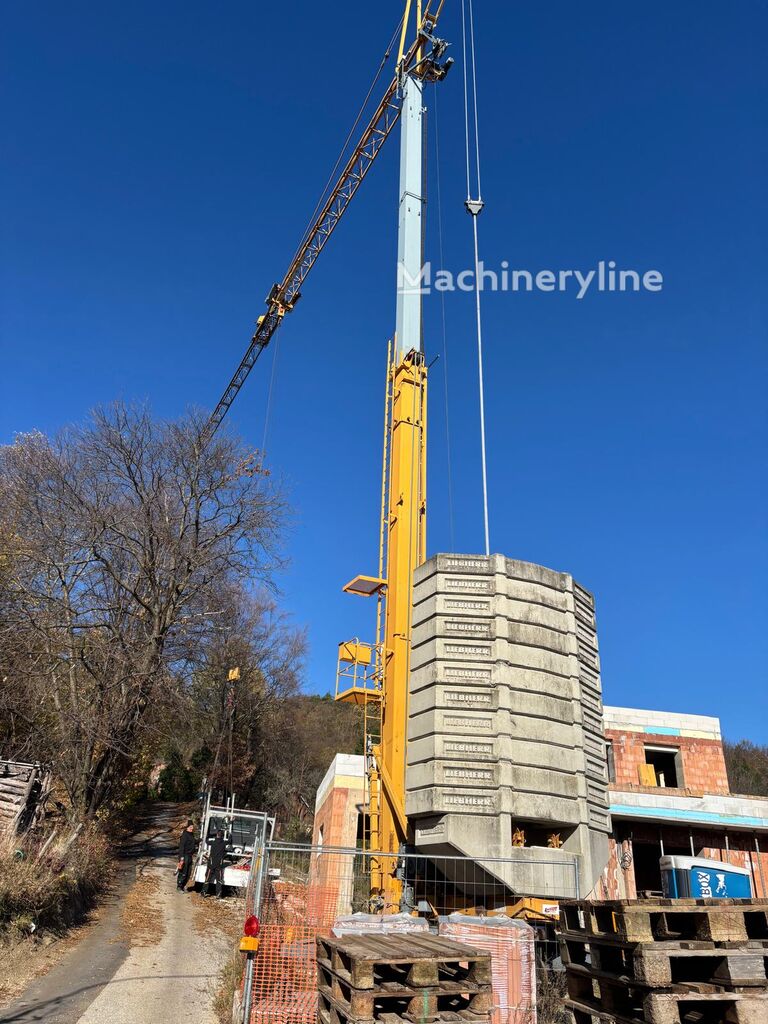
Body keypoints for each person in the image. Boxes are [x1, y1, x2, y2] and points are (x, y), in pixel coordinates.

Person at [204, 828, 227, 899]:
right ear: (222, 836)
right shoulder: (224, 843)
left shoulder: (213, 842)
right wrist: (230, 835)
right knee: (219, 880)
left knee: (207, 879)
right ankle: (218, 894)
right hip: (219, 866)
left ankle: (203, 892)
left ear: (216, 835)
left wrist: (208, 833)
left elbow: (206, 841)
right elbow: (230, 841)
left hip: (211, 864)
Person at [177, 819, 196, 891]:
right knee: (183, 872)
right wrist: (181, 858)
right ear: (187, 827)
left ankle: (183, 885)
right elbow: (181, 847)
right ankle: (179, 886)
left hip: (190, 856)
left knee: (188, 872)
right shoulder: (184, 835)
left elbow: (193, 842)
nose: (192, 828)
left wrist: (200, 840)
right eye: (190, 827)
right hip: (185, 855)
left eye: (192, 827)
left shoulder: (191, 834)